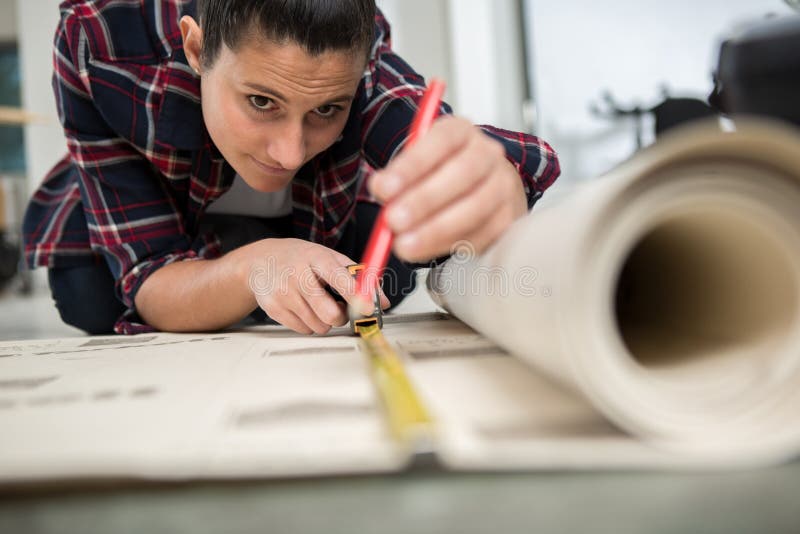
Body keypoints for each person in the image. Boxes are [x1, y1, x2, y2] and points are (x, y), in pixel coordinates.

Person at [22, 0, 560, 336]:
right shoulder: (102, 40)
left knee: (382, 277)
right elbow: (149, 273)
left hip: (319, 217)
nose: (290, 153)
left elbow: (426, 131)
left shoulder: (357, 44)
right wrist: (251, 267)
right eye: (261, 102)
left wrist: (493, 179)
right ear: (196, 45)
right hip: (158, 219)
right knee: (90, 295)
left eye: (327, 109)